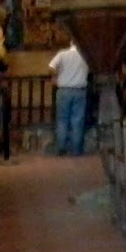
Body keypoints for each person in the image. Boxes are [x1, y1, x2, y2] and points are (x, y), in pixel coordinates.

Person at [48, 25, 90, 156]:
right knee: (77, 120)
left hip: (64, 90)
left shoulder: (62, 54)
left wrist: (55, 78)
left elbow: (51, 67)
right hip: (80, 90)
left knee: (62, 119)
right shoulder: (86, 56)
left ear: (71, 42)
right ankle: (77, 150)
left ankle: (61, 147)